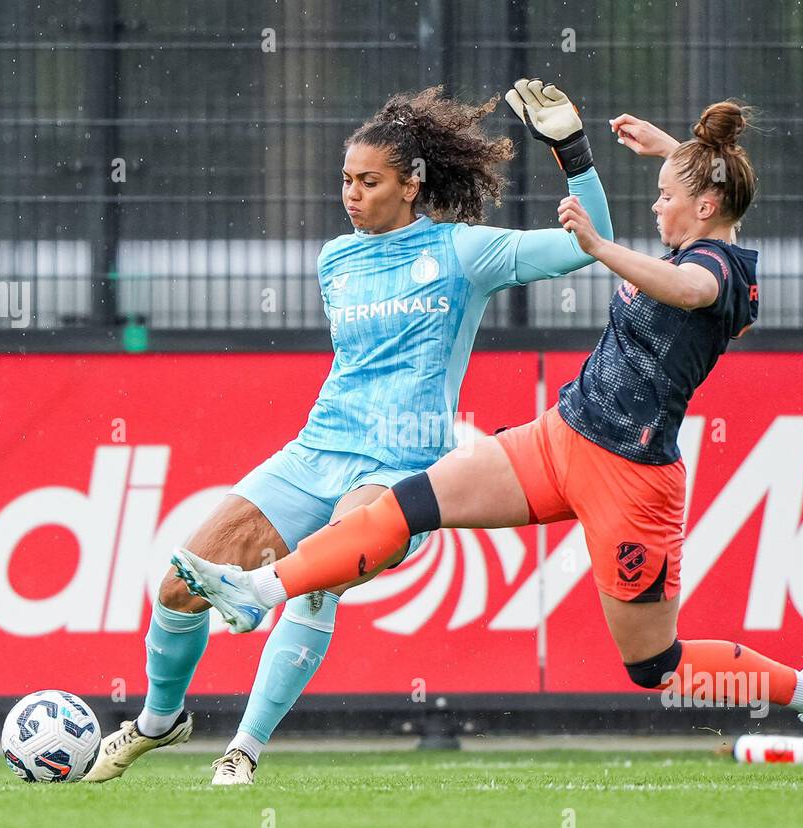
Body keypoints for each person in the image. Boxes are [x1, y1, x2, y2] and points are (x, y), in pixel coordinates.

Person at [176, 101, 803, 757]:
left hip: (630, 476)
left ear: (705, 207)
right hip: (561, 436)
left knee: (655, 666)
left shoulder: (720, 270)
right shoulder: (703, 221)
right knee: (406, 504)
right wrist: (665, 149)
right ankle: (258, 590)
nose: (656, 207)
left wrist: (597, 244)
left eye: (664, 196)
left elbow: (690, 291)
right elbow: (698, 195)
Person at [85, 80, 615, 785]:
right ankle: (159, 721)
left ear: (411, 183)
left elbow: (593, 245)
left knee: (318, 578)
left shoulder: (465, 253)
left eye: (369, 181)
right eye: (346, 180)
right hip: (316, 451)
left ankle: (242, 749)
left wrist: (573, 153)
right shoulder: (334, 259)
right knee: (182, 584)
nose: (352, 194)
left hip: (400, 467)